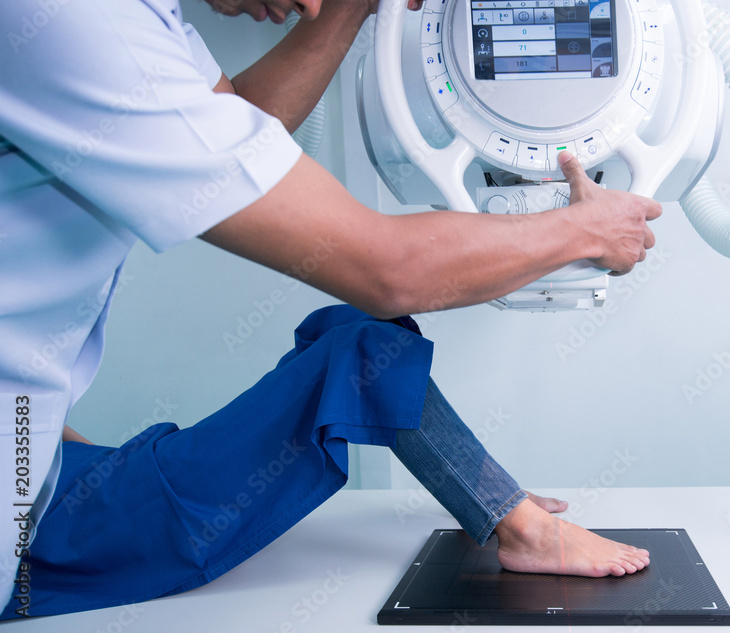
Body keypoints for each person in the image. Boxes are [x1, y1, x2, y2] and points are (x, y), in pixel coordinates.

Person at [0, 0, 661, 619]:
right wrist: (587, 231)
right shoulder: (76, 24)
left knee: (350, 336)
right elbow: (388, 271)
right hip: (34, 529)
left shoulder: (136, 20)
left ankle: (497, 503)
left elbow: (232, 125)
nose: (300, 6)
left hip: (47, 472)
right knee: (361, 348)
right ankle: (525, 529)